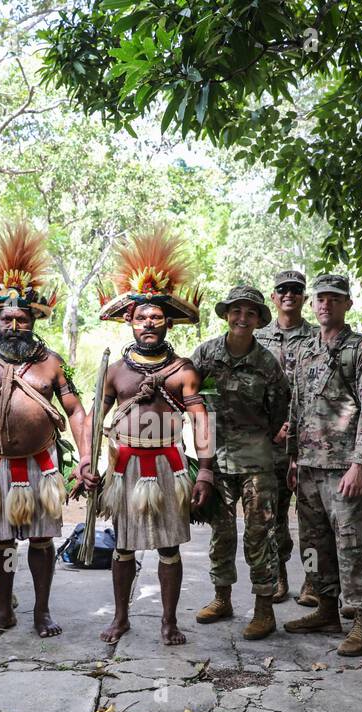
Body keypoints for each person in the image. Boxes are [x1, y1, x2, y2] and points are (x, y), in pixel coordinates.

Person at [0, 224, 95, 637]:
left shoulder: (52, 362)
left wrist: (85, 459)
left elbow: (77, 411)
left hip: (40, 464)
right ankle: (4, 609)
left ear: (32, 320)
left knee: (42, 540)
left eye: (21, 318)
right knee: (1, 543)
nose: (13, 325)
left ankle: (41, 611)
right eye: (6, 319)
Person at [90, 227, 215, 646]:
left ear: (167, 321)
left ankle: (168, 621)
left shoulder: (183, 370)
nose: (148, 323)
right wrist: (87, 463)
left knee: (168, 550)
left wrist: (206, 472)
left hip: (168, 465)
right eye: (141, 316)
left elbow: (200, 419)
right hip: (124, 466)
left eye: (156, 317)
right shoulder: (114, 371)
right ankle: (121, 618)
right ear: (130, 320)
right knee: (123, 547)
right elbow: (94, 419)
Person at [283, 273, 362, 657]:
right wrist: (294, 457)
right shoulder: (304, 351)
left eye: (335, 298)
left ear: (347, 304)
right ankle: (326, 609)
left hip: (347, 469)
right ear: (312, 305)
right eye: (320, 298)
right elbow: (297, 407)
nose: (326, 304)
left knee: (355, 546)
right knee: (315, 545)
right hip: (311, 468)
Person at [191, 285, 289, 639]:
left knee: (259, 535)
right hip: (215, 459)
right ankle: (222, 598)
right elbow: (191, 399)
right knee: (221, 532)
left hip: (256, 460)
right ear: (227, 314)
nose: (242, 318)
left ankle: (264, 609)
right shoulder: (205, 355)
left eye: (250, 312)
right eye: (236, 311)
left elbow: (279, 411)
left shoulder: (267, 364)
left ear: (259, 319)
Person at [254, 269, 317, 605]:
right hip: (271, 444)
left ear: (304, 297)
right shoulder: (258, 337)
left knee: (311, 521)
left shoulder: (318, 337)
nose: (289, 294)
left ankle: (312, 579)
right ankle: (278, 574)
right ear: (274, 297)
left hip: (310, 443)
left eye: (296, 290)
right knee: (273, 517)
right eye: (283, 290)